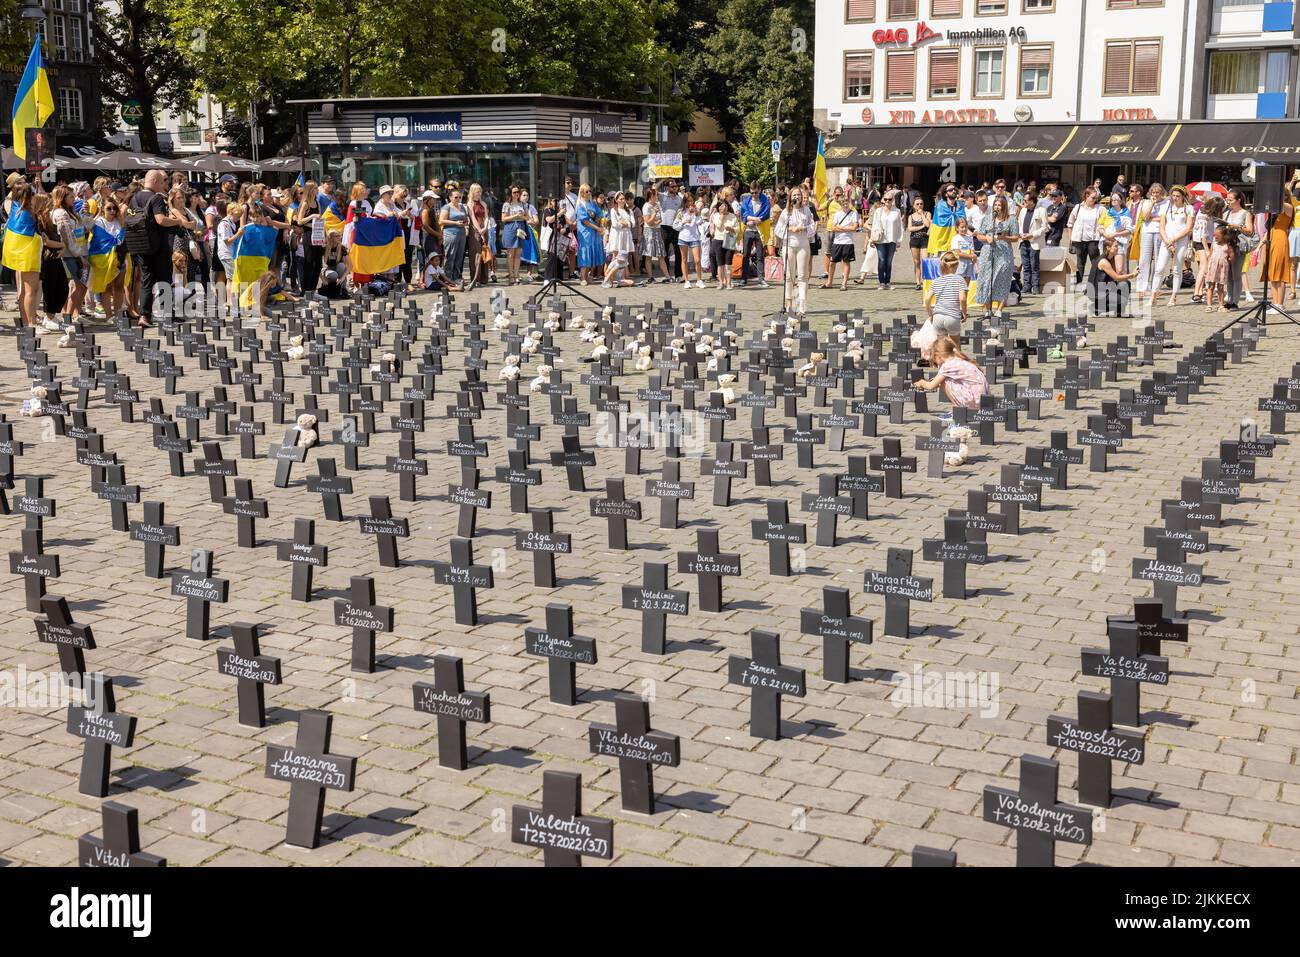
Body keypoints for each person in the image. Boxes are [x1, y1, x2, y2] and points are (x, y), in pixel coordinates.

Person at [129, 169, 186, 326]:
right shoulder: (155, 198)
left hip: (141, 244)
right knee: (165, 280)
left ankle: (144, 316)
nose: (165, 185)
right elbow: (160, 220)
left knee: (146, 280)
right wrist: (178, 221)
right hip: (159, 245)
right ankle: (168, 315)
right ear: (154, 181)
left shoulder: (135, 198)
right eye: (163, 182)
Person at [2, 182, 42, 327]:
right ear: (29, 196)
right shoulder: (29, 212)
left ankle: (26, 323)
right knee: (31, 290)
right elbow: (44, 199)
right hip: (28, 252)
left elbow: (9, 196)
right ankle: (31, 324)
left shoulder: (13, 207)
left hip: (16, 251)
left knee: (24, 291)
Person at [973, 195, 1019, 321]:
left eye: (999, 205)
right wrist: (986, 238)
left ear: (1004, 206)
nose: (997, 207)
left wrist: (1005, 237)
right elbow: (979, 235)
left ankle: (999, 310)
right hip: (988, 252)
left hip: (1004, 253)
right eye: (995, 205)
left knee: (1002, 279)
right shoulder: (987, 219)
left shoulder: (1011, 220)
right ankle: (988, 310)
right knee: (985, 280)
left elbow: (1016, 237)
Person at [914, 336, 989, 410]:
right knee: (944, 380)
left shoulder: (947, 366)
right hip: (983, 400)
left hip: (974, 402)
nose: (935, 363)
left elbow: (931, 386)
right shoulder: (958, 360)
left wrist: (921, 383)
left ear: (937, 355)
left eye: (934, 359)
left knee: (945, 380)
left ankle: (958, 410)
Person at [774, 185, 815, 317]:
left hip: (803, 245)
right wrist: (789, 229)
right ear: (790, 197)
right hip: (789, 245)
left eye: (799, 194)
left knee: (802, 276)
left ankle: (802, 306)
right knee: (789, 277)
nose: (797, 197)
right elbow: (778, 229)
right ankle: (789, 306)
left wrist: (803, 228)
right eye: (794, 195)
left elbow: (813, 227)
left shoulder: (807, 210)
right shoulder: (786, 212)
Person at [1153, 185, 1194, 306]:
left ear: (1183, 197)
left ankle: (1174, 296)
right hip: (1166, 240)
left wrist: (1174, 239)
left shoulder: (1188, 208)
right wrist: (1167, 241)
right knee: (1159, 268)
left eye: (1178, 196)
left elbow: (1188, 228)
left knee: (1177, 269)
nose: (1175, 198)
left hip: (1180, 240)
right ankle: (1153, 295)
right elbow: (1161, 226)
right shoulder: (1166, 207)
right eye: (1173, 195)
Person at [1260, 179, 1295, 307]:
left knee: (1279, 272)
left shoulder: (1288, 207)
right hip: (1272, 238)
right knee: (1272, 273)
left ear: (1284, 195)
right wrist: (1259, 246)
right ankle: (1275, 303)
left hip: (1280, 238)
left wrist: (1277, 192)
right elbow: (1268, 229)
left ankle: (1280, 304)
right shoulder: (1274, 212)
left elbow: (1281, 203)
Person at [1134, 182, 1167, 302]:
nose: (1155, 194)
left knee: (1158, 261)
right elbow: (1144, 217)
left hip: (1160, 232)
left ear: (1161, 193)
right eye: (1153, 192)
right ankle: (1141, 288)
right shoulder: (1146, 202)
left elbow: (1165, 218)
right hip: (1147, 232)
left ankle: (1155, 289)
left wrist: (1153, 218)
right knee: (1144, 260)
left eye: (1157, 193)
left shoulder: (1166, 203)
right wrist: (1152, 203)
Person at [1222, 188, 1254, 309]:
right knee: (1228, 275)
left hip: (1239, 246)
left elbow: (1250, 231)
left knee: (1236, 275)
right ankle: (1229, 300)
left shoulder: (1245, 213)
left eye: (1230, 200)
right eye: (1227, 199)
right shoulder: (1226, 213)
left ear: (1238, 200)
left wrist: (1238, 226)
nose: (1228, 202)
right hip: (1227, 246)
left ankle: (1235, 301)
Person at [1089, 237, 1136, 317]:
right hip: (1097, 292)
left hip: (1105, 288)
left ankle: (1119, 312)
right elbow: (1117, 277)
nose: (1118, 248)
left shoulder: (1110, 258)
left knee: (1125, 283)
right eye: (1116, 246)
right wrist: (1132, 275)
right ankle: (1095, 308)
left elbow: (1117, 275)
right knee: (1122, 301)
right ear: (1108, 247)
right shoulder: (1103, 261)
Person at [1067, 187, 1103, 287]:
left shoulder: (1100, 208)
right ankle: (1079, 284)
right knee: (1080, 263)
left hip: (1094, 240)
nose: (1095, 199)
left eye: (1096, 198)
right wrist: (1071, 239)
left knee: (1095, 262)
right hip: (1079, 240)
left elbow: (1107, 221)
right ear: (1086, 196)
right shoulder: (1078, 207)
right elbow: (1070, 224)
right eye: (1093, 197)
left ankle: (1094, 284)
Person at [1190, 194, 1222, 305]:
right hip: (1200, 241)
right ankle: (1196, 293)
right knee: (1204, 267)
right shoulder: (1203, 215)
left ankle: (1199, 291)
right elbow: (1202, 235)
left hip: (1206, 241)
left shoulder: (1207, 213)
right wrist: (1207, 250)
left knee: (1202, 267)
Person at [739, 181, 770, 287]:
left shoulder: (765, 200)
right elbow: (744, 213)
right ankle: (744, 278)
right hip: (748, 231)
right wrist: (754, 219)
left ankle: (761, 279)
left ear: (760, 190)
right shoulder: (746, 201)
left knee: (760, 256)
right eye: (752, 193)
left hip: (759, 231)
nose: (754, 195)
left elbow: (766, 213)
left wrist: (756, 221)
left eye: (756, 192)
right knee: (745, 255)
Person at [574, 184, 604, 285]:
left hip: (594, 233)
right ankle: (582, 277)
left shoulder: (593, 203)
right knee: (584, 252)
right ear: (582, 193)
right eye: (587, 191)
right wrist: (597, 228)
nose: (589, 193)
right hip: (585, 232)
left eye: (590, 191)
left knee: (591, 252)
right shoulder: (580, 205)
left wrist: (600, 225)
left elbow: (600, 214)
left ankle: (588, 275)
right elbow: (585, 221)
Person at [604, 191, 635, 288]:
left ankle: (618, 278)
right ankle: (609, 276)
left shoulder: (629, 211)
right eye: (620, 199)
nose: (622, 200)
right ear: (616, 200)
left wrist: (625, 223)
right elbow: (615, 225)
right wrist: (625, 223)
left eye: (623, 199)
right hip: (617, 236)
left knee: (623, 258)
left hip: (626, 235)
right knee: (616, 257)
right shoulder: (614, 210)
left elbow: (633, 224)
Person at [1018, 189, 1047, 294]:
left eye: (1026, 201)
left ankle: (1035, 287)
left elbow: (1045, 228)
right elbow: (1019, 224)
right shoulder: (1022, 211)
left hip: (1034, 242)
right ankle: (1026, 286)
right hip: (1023, 241)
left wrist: (1032, 234)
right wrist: (1021, 234)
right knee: (1025, 266)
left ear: (1032, 201)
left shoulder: (1041, 210)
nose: (1024, 203)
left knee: (1034, 265)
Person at [711, 187, 740, 288]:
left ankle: (728, 282)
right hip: (718, 240)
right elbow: (718, 225)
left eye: (726, 206)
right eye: (722, 206)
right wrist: (722, 215)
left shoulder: (732, 215)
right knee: (720, 263)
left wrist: (731, 229)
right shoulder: (716, 215)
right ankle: (721, 282)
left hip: (729, 240)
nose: (724, 207)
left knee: (728, 263)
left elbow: (737, 229)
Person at [440, 188, 469, 285]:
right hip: (450, 234)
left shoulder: (462, 207)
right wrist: (455, 223)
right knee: (450, 256)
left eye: (460, 197)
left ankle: (456, 277)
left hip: (461, 234)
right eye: (456, 197)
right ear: (450, 197)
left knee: (459, 257)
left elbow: (466, 219)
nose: (458, 199)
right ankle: (448, 278)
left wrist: (465, 223)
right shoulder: (446, 207)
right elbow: (441, 221)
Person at [675, 196, 704, 288]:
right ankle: (686, 281)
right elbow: (675, 226)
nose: (690, 203)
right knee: (684, 259)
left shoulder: (696, 211)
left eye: (692, 201)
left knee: (697, 260)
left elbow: (700, 222)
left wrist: (697, 214)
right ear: (685, 202)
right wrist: (684, 221)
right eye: (688, 201)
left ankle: (699, 280)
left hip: (694, 237)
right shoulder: (680, 212)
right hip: (683, 237)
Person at [1205, 224, 1233, 312]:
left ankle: (1221, 305)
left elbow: (1232, 256)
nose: (1215, 237)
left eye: (1218, 235)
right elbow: (1209, 255)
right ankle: (1209, 305)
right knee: (1210, 286)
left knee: (1220, 287)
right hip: (1213, 268)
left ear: (1224, 236)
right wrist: (1206, 267)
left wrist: (1228, 260)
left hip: (1222, 269)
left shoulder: (1227, 245)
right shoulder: (1214, 244)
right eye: (1215, 235)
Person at [659, 180, 684, 278]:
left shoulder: (679, 198)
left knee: (678, 252)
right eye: (672, 186)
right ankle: (667, 274)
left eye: (675, 186)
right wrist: (662, 179)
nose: (674, 188)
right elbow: (653, 189)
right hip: (665, 227)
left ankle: (678, 275)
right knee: (664, 252)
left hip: (676, 227)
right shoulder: (662, 196)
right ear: (667, 187)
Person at [904, 197, 930, 289]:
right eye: (917, 204)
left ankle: (926, 282)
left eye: (921, 204)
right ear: (914, 206)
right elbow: (910, 229)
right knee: (916, 262)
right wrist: (922, 226)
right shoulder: (910, 216)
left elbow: (928, 225)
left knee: (925, 261)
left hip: (925, 239)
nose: (919, 206)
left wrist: (922, 215)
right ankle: (918, 282)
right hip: (914, 240)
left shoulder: (927, 213)